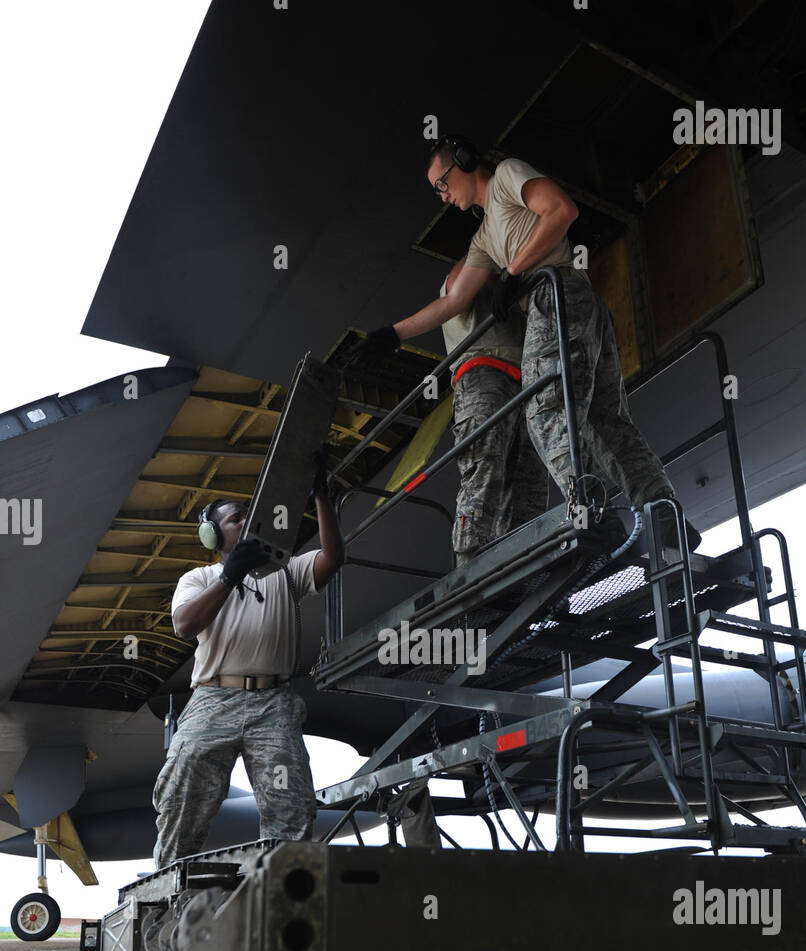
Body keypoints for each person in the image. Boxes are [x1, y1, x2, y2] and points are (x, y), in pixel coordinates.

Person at [355, 134, 700, 553]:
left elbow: (561, 210)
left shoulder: (505, 176)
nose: (443, 196)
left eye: (442, 184)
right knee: (602, 421)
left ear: (463, 162)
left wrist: (514, 271)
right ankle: (664, 513)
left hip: (555, 297)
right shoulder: (484, 238)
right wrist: (393, 334)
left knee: (544, 408)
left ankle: (590, 512)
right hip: (579, 305)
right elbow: (456, 300)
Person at [152, 458, 344, 868]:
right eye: (236, 518)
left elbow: (333, 557)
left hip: (272, 704)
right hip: (212, 699)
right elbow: (185, 626)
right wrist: (230, 575)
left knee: (290, 807)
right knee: (180, 797)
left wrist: (321, 497)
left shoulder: (286, 572)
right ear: (212, 534)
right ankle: (166, 895)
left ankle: (281, 898)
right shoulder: (199, 578)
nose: (246, 522)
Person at [439, 254, 548, 564]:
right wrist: (508, 271)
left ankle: (524, 560)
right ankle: (469, 561)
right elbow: (471, 273)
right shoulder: (461, 280)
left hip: (527, 384)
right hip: (483, 375)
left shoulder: (516, 300)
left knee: (528, 483)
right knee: (485, 468)